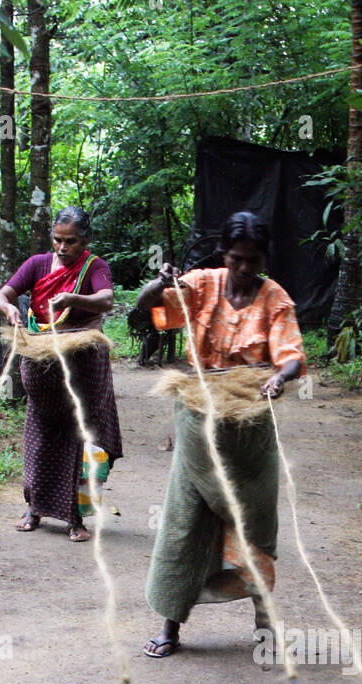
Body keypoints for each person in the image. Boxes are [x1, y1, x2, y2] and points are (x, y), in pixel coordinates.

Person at [135, 211, 306, 658]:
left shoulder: (275, 299)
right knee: (185, 523)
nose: (245, 268)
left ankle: (265, 624)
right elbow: (152, 310)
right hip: (198, 418)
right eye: (236, 258)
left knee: (253, 524)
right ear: (224, 255)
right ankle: (170, 627)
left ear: (263, 258)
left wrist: (280, 379)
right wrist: (161, 283)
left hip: (249, 429)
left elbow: (291, 356)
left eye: (253, 260)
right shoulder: (201, 283)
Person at [0, 208, 123, 542]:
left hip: (83, 361)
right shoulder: (37, 264)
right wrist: (8, 308)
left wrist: (73, 298)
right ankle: (34, 508)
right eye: (57, 240)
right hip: (41, 359)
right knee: (41, 431)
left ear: (85, 241)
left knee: (81, 437)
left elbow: (106, 300)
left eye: (71, 241)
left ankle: (75, 518)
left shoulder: (96, 267)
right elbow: (3, 295)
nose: (63, 247)